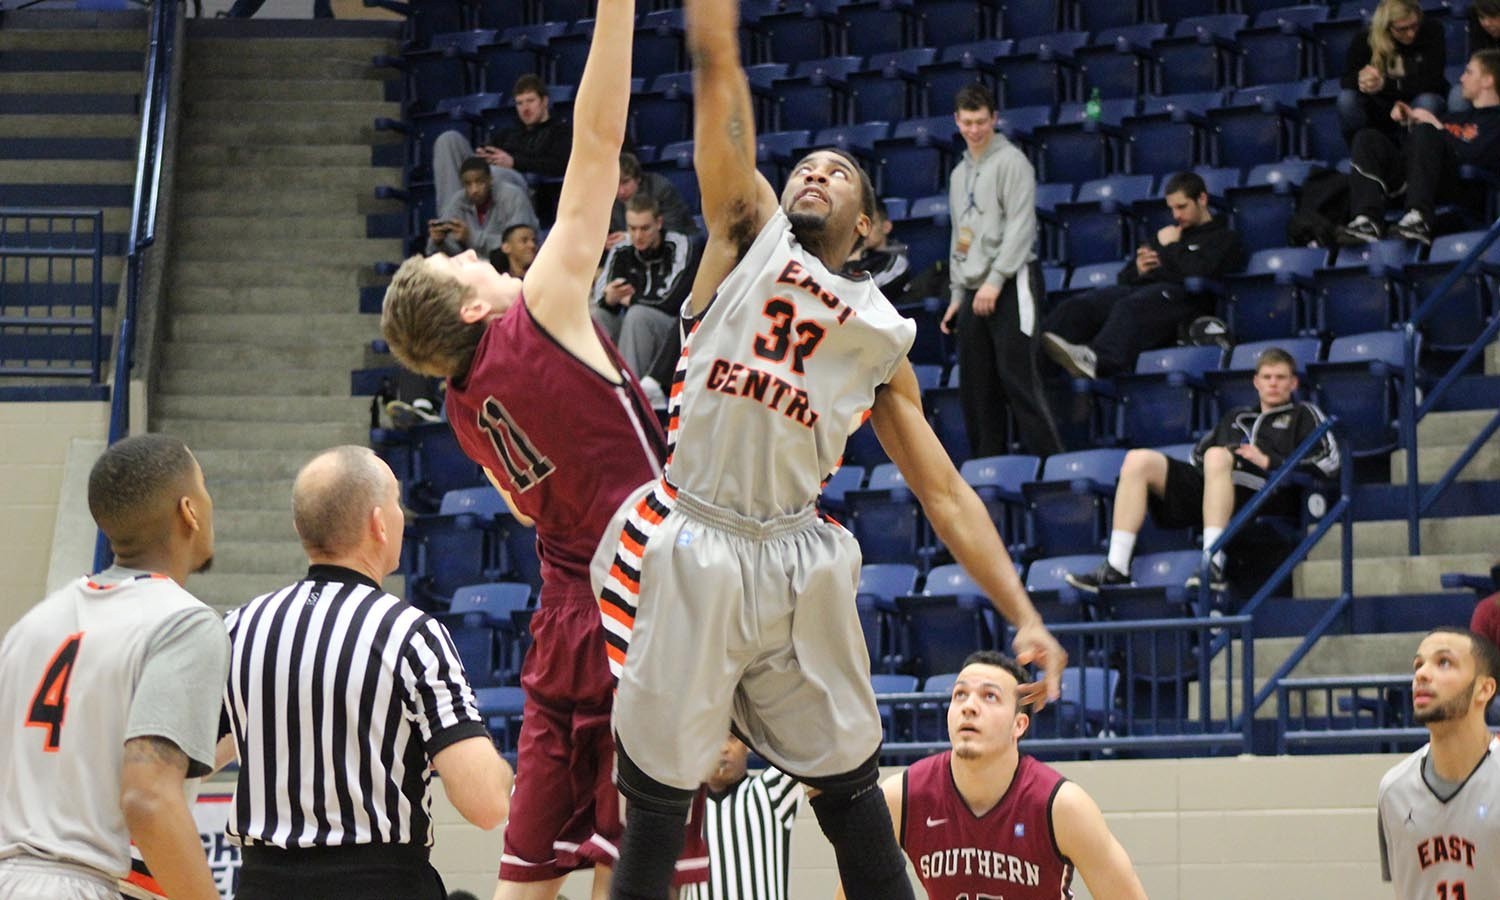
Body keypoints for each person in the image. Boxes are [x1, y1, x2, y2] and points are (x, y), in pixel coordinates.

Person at [592, 2, 1067, 897]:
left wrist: (1024, 612)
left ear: (868, 225)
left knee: (848, 783)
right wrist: (714, 32)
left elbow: (947, 494)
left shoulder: (880, 336)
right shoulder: (743, 234)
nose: (813, 174)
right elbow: (722, 90)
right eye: (805, 165)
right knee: (654, 794)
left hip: (792, 556)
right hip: (693, 532)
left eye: (838, 174)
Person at [379, 1, 709, 896]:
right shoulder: (544, 307)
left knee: (530, 872)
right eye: (466, 266)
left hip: (557, 609)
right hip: (637, 597)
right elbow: (598, 141)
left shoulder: (457, 405)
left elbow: (528, 505)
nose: (480, 255)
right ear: (477, 306)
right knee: (635, 867)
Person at [220, 446, 512, 900]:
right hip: (381, 884)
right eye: (396, 503)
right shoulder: (411, 634)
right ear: (379, 523)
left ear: (301, 528)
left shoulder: (239, 629)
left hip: (262, 884)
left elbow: (185, 761)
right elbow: (485, 804)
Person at [0, 434, 227, 900]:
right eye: (204, 487)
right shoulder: (182, 621)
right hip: (81, 884)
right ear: (190, 511)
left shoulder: (33, 625)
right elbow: (149, 798)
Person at [837, 651, 1148, 900]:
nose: (969, 707)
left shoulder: (1062, 806)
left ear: (1019, 725)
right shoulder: (901, 797)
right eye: (960, 695)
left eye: (990, 697)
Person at [1065, 347, 1340, 593]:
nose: (1273, 384)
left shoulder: (1305, 414)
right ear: (1256, 382)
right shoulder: (1237, 416)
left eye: (1280, 378)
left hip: (1271, 490)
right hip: (1220, 485)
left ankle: (1213, 564)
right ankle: (1116, 568)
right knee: (1139, 461)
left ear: (1293, 383)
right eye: (1267, 377)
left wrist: (1270, 461)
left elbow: (1330, 462)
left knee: (1218, 457)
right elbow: (1199, 457)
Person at [940, 82, 1063, 458]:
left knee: (1018, 379)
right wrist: (958, 293)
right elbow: (961, 234)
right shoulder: (959, 174)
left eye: (981, 122)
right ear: (956, 122)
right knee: (975, 388)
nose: (974, 130)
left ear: (994, 119)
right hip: (974, 285)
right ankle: (986, 469)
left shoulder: (1013, 163)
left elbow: (1021, 227)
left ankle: (1050, 464)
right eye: (967, 123)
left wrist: (994, 282)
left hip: (1013, 280)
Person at [1039, 171, 1247, 382]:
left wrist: (1172, 246)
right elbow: (1124, 278)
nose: (1176, 215)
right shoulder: (1168, 235)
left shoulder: (1224, 238)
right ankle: (1031, 362)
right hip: (1145, 291)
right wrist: (1138, 269)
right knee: (1081, 305)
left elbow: (1197, 272)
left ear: (1202, 199)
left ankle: (1097, 360)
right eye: (1172, 208)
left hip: (1185, 300)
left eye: (1182, 207)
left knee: (1130, 306)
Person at [1377, 628, 1500, 898]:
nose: (1421, 674)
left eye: (1444, 662)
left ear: (1484, 689)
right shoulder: (1393, 789)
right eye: (1418, 665)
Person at [1340, 49, 1500, 247]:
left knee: (1426, 131)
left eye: (1469, 72)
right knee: (1367, 138)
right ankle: (1367, 220)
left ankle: (1418, 218)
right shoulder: (1455, 117)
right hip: (1417, 182)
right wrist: (1408, 122)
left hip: (1459, 188)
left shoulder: (1495, 122)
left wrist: (1436, 128)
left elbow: (1477, 157)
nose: (1461, 78)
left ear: (1488, 80)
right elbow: (1417, 148)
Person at [677, 738, 801, 900]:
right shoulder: (685, 810)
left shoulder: (770, 792)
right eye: (714, 739)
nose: (723, 748)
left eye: (732, 738)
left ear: (747, 744)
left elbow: (806, 747)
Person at [592, 192, 698, 377]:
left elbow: (671, 301)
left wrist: (633, 300)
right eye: (632, 229)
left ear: (659, 223)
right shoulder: (622, 249)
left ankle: (631, 395)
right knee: (597, 316)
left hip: (672, 332)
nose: (637, 236)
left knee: (637, 316)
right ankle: (600, 389)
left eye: (645, 228)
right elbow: (601, 295)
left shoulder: (678, 245)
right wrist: (609, 299)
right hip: (633, 328)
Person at [434, 75, 573, 204]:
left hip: (524, 184)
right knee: (448, 139)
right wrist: (483, 155)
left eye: (530, 101)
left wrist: (514, 162)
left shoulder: (560, 131)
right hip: (490, 178)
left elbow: (559, 165)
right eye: (520, 103)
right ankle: (451, 220)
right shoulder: (509, 132)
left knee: (492, 173)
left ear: (544, 101)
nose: (525, 108)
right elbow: (490, 149)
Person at [1339, 0, 1448, 144]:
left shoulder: (1431, 30)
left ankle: (1420, 155)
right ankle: (1362, 152)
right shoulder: (1365, 39)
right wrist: (1364, 80)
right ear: (1387, 27)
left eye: (1414, 26)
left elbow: (1433, 80)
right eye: (1402, 29)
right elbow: (1346, 80)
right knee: (1347, 99)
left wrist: (1385, 84)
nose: (1411, 33)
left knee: (1427, 101)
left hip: (1417, 98)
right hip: (1381, 105)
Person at [429, 157, 540, 259]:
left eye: (479, 182)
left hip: (513, 268)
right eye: (468, 184)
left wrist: (471, 238)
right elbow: (452, 254)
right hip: (475, 270)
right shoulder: (459, 201)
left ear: (490, 179)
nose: (474, 190)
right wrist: (439, 243)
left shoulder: (513, 196)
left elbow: (519, 246)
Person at [610, 152, 697, 247]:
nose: (621, 191)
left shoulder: (661, 189)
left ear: (638, 178)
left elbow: (674, 230)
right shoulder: (609, 198)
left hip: (679, 245)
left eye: (625, 182)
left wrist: (628, 238)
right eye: (615, 183)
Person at [842, 203, 911, 298]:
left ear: (886, 227)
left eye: (870, 224)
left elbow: (864, 293)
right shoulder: (851, 255)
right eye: (859, 224)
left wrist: (854, 258)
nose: (863, 230)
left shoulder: (897, 261)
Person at [1452, 0, 1500, 111]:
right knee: (1458, 95)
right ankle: (1462, 128)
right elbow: (1476, 60)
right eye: (1482, 17)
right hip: (1486, 80)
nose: (1487, 23)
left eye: (1493, 16)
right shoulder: (1478, 26)